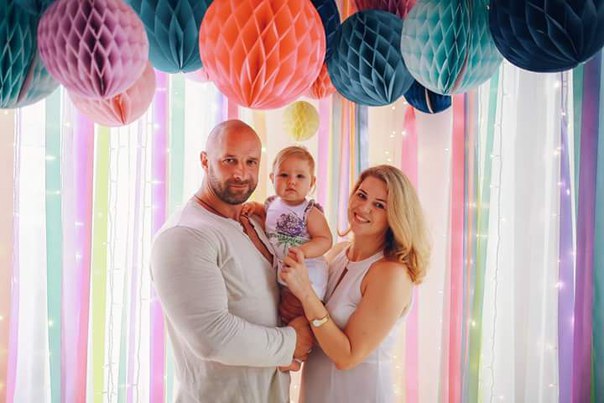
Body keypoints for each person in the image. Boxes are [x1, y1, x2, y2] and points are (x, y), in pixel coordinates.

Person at [150, 119, 313, 403]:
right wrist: (291, 343)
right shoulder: (184, 235)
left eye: (251, 162)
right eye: (229, 160)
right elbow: (213, 336)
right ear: (205, 161)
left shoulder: (257, 221)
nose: (241, 173)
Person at [279, 165, 430, 403]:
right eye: (361, 195)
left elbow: (347, 357)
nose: (363, 208)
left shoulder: (391, 274)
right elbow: (314, 323)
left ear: (394, 216)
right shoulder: (337, 253)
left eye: (379, 205)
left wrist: (306, 293)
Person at [243, 146, 332, 302]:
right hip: (283, 270)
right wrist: (255, 207)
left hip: (309, 271)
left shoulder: (310, 212)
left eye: (300, 176)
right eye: (284, 175)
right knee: (283, 305)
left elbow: (325, 239)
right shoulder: (272, 204)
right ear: (272, 178)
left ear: (312, 182)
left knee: (301, 307)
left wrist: (303, 251)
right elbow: (268, 216)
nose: (291, 181)